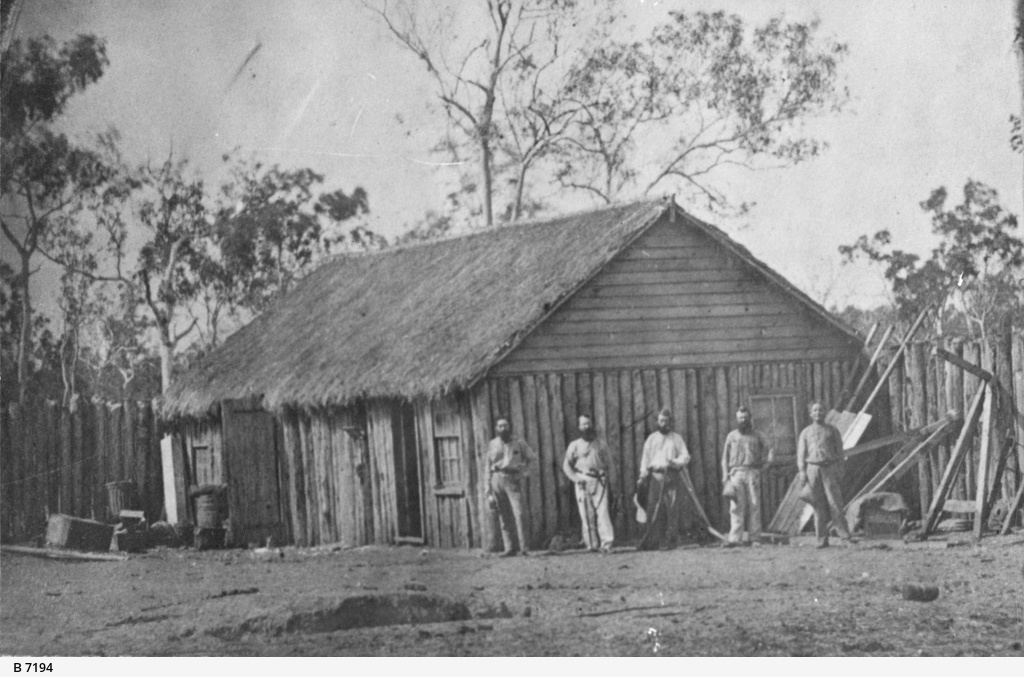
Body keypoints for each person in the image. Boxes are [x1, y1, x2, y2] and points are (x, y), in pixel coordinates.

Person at [797, 402, 854, 548]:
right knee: (818, 505)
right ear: (811, 414)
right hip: (812, 469)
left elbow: (840, 452)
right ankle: (821, 539)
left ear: (825, 412)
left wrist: (840, 469)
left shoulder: (832, 431)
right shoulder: (806, 432)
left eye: (821, 410)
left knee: (835, 503)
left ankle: (845, 537)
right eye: (815, 410)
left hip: (829, 469)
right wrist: (802, 472)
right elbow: (801, 455)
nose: (818, 413)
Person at [637, 408, 690, 550]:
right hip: (655, 476)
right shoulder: (651, 439)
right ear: (657, 422)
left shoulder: (676, 438)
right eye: (661, 420)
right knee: (653, 509)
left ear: (670, 422)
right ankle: (653, 541)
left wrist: (676, 462)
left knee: (671, 509)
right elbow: (645, 459)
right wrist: (643, 476)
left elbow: (685, 456)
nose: (664, 423)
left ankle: (671, 541)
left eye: (667, 421)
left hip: (671, 475)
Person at [563, 414, 615, 553]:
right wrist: (576, 479)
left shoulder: (601, 443)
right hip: (582, 481)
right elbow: (567, 466)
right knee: (586, 514)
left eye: (589, 424)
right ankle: (591, 544)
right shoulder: (574, 445)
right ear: (579, 427)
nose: (587, 427)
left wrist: (609, 480)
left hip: (599, 480)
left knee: (603, 512)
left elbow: (609, 463)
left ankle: (607, 543)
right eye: (584, 424)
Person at [722, 406, 773, 547]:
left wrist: (765, 465)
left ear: (750, 418)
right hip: (736, 473)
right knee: (736, 507)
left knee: (754, 505)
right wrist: (725, 476)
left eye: (745, 417)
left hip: (752, 473)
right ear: (737, 419)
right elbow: (724, 458)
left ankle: (755, 538)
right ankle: (735, 538)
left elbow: (770, 448)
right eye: (740, 418)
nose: (743, 420)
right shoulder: (731, 436)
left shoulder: (758, 435)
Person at [486, 416, 534, 557]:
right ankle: (509, 548)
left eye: (505, 426)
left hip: (513, 479)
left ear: (509, 427)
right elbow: (487, 467)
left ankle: (524, 548)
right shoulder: (492, 444)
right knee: (504, 514)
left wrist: (523, 473)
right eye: (500, 426)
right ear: (496, 428)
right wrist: (488, 489)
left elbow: (532, 459)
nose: (503, 428)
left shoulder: (519, 443)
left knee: (519, 514)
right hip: (497, 479)